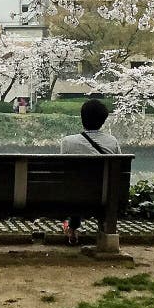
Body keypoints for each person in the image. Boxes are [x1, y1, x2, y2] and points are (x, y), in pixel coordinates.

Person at [59, 98, 121, 245]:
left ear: (82, 118)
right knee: (87, 190)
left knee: (76, 189)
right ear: (103, 120)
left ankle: (72, 227)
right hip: (105, 197)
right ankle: (104, 229)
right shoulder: (112, 142)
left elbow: (63, 172)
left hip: (73, 197)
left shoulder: (68, 142)